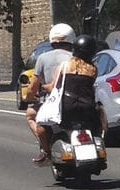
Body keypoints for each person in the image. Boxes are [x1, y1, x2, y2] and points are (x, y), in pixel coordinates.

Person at [35, 35, 107, 166]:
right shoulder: (93, 70)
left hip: (68, 108)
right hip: (87, 109)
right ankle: (99, 142)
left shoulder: (64, 66)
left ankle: (45, 152)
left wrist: (42, 87)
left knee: (41, 124)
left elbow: (52, 87)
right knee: (99, 118)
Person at [24, 23, 79, 164]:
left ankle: (45, 149)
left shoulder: (43, 58)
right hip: (77, 101)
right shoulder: (76, 57)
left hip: (53, 102)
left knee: (31, 114)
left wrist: (29, 97)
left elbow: (33, 87)